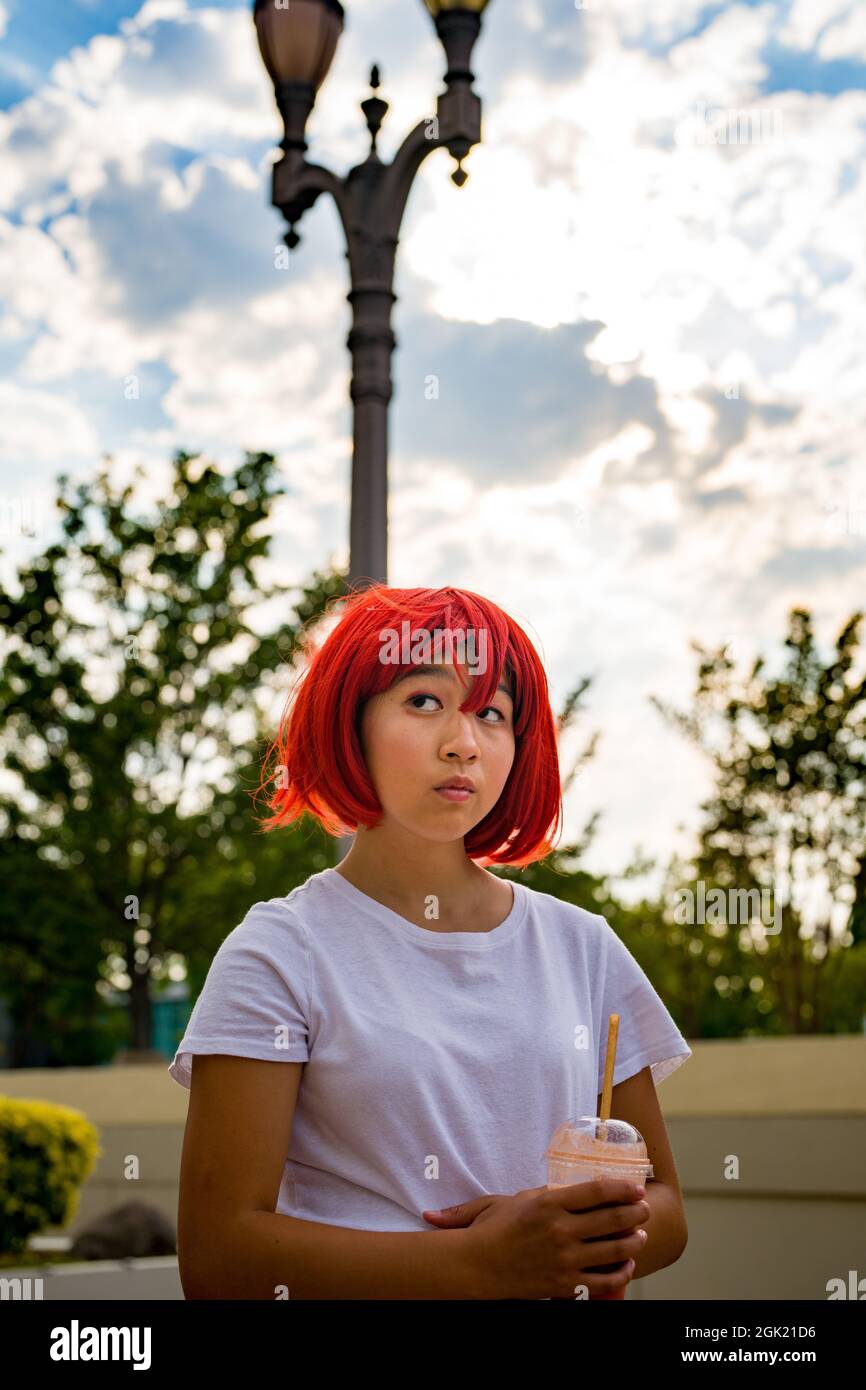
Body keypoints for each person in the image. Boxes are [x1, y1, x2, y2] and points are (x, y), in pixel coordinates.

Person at [169, 584, 691, 1299]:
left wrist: (577, 1240)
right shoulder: (279, 952)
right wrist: (481, 1265)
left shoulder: (585, 947)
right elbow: (219, 1257)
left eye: (493, 713)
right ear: (347, 724)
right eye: (424, 701)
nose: (462, 743)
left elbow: (665, 1210)